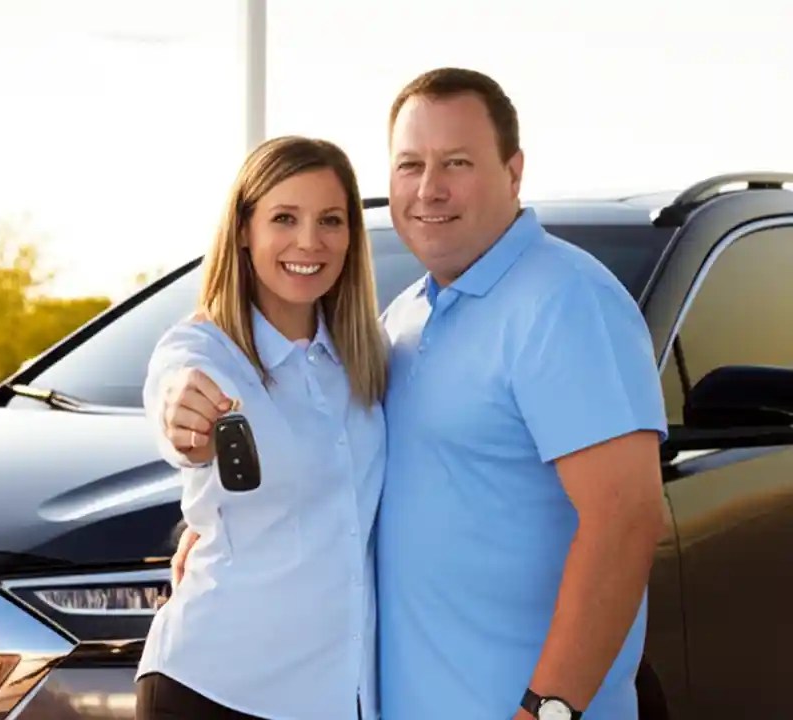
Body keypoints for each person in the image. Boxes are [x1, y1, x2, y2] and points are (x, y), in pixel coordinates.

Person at [167, 68, 667, 720]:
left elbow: (626, 520)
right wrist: (223, 524)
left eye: (456, 162)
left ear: (513, 172)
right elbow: (340, 472)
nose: (429, 188)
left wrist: (549, 709)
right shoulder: (400, 321)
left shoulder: (567, 301)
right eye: (410, 165)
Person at [137, 135, 391, 720]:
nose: (310, 242)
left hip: (342, 699)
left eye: (331, 220)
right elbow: (177, 399)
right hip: (216, 691)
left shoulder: (371, 358)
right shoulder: (203, 351)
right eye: (285, 218)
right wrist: (184, 417)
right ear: (244, 229)